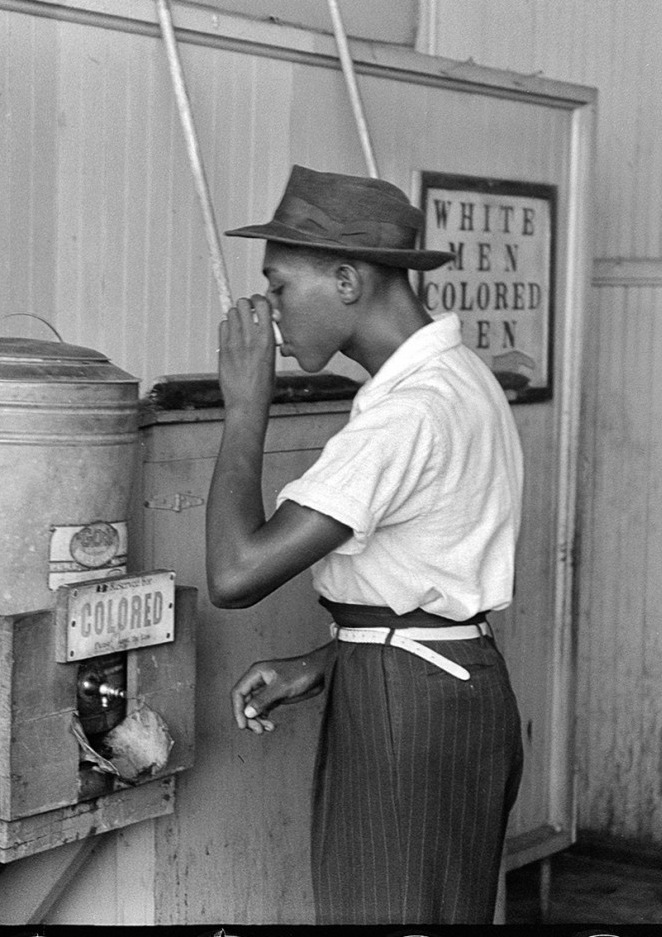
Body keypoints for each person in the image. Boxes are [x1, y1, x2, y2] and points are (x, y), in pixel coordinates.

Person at [205, 164, 525, 925]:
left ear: (347, 280)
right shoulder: (457, 378)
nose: (271, 312)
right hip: (444, 683)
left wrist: (246, 406)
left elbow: (235, 572)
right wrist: (328, 664)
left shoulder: (408, 413)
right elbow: (428, 578)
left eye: (279, 287)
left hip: (407, 711)